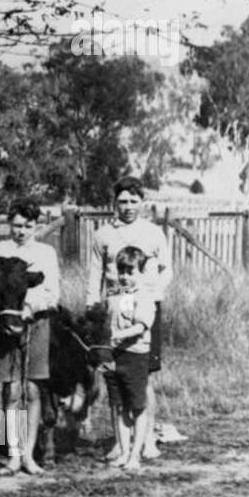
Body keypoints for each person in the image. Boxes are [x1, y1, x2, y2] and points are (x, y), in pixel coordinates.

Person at [84, 175, 172, 460]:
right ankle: (120, 444)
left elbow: (166, 269)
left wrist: (152, 294)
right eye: (122, 201)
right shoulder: (103, 234)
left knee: (143, 374)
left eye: (134, 201)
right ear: (114, 202)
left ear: (142, 202)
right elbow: (95, 273)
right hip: (114, 308)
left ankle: (147, 441)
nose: (128, 206)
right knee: (115, 375)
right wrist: (93, 305)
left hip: (145, 309)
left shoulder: (153, 233)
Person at [0, 199, 59, 476]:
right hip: (7, 324)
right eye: (16, 225)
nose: (22, 231)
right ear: (8, 224)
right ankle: (13, 455)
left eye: (28, 226)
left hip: (37, 324)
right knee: (11, 389)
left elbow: (52, 292)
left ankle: (29, 455)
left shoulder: (46, 253)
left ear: (36, 226)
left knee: (31, 389)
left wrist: (30, 306)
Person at [105, 246, 156, 471]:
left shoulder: (144, 296)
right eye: (121, 271)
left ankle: (136, 453)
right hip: (116, 356)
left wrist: (117, 335)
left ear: (141, 272)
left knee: (137, 407)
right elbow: (119, 319)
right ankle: (124, 451)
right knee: (119, 406)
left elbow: (140, 325)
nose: (125, 276)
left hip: (135, 356)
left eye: (130, 271)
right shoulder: (119, 295)